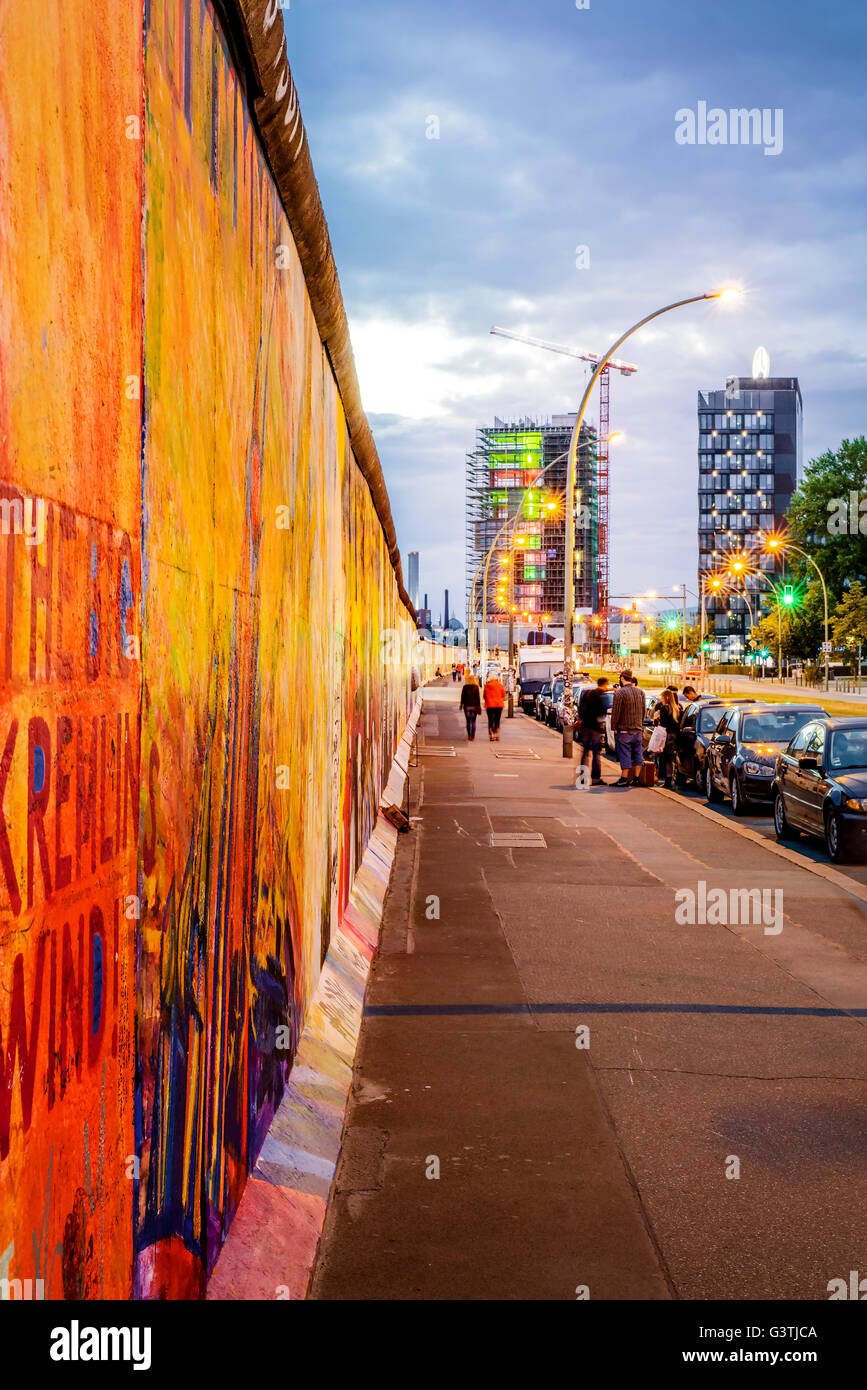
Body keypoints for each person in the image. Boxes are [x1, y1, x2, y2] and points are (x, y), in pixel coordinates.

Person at [609, 669, 646, 787]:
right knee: (638, 754)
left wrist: (613, 726)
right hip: (638, 729)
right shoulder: (641, 692)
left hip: (624, 730)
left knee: (624, 753)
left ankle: (624, 779)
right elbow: (643, 711)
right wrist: (640, 724)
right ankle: (636, 778)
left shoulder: (619, 693)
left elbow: (616, 713)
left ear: (622, 678)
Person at [577, 677, 610, 786]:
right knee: (596, 754)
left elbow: (580, 709)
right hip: (595, 728)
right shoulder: (601, 696)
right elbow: (602, 712)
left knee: (585, 754)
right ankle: (595, 778)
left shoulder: (587, 694)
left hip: (585, 727)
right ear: (604, 684)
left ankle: (582, 778)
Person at [653, 687, 681, 789]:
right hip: (674, 737)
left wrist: (656, 718)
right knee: (670, 759)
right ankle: (669, 780)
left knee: (660, 757)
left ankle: (664, 779)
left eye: (662, 698)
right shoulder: (677, 709)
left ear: (666, 698)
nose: (661, 700)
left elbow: (662, 725)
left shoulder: (664, 709)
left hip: (666, 736)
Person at [483, 671, 506, 740]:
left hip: (489, 705)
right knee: (497, 720)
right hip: (499, 705)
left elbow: (484, 696)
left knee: (490, 720)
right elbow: (503, 695)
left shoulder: (487, 686)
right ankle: (496, 734)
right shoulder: (500, 685)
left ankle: (491, 735)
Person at [460, 674, 481, 740]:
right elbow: (478, 698)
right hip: (474, 706)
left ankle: (469, 735)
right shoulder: (476, 687)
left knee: (468, 721)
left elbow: (462, 697)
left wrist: (461, 705)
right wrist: (479, 706)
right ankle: (473, 736)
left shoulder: (465, 687)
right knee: (473, 721)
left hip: (467, 706)